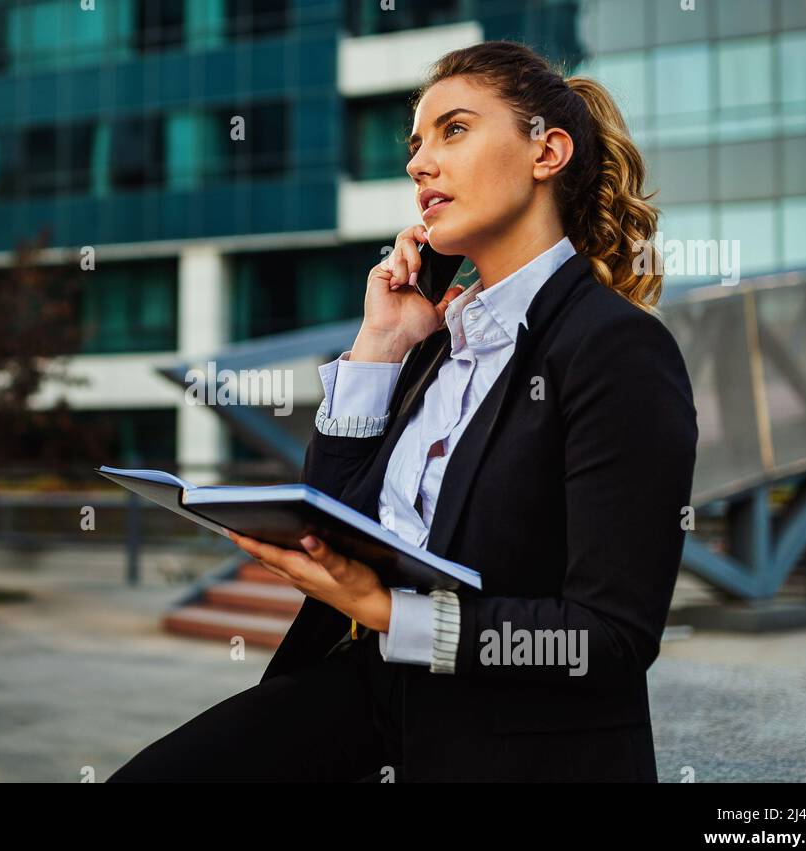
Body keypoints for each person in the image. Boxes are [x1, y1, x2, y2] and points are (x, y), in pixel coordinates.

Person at [108, 40, 697, 783]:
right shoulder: (435, 341)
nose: (419, 163)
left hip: (520, 738)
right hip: (377, 691)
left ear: (547, 152)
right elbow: (338, 516)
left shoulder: (617, 350)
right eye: (416, 144)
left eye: (453, 130)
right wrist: (380, 345)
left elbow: (607, 640)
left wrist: (391, 613)